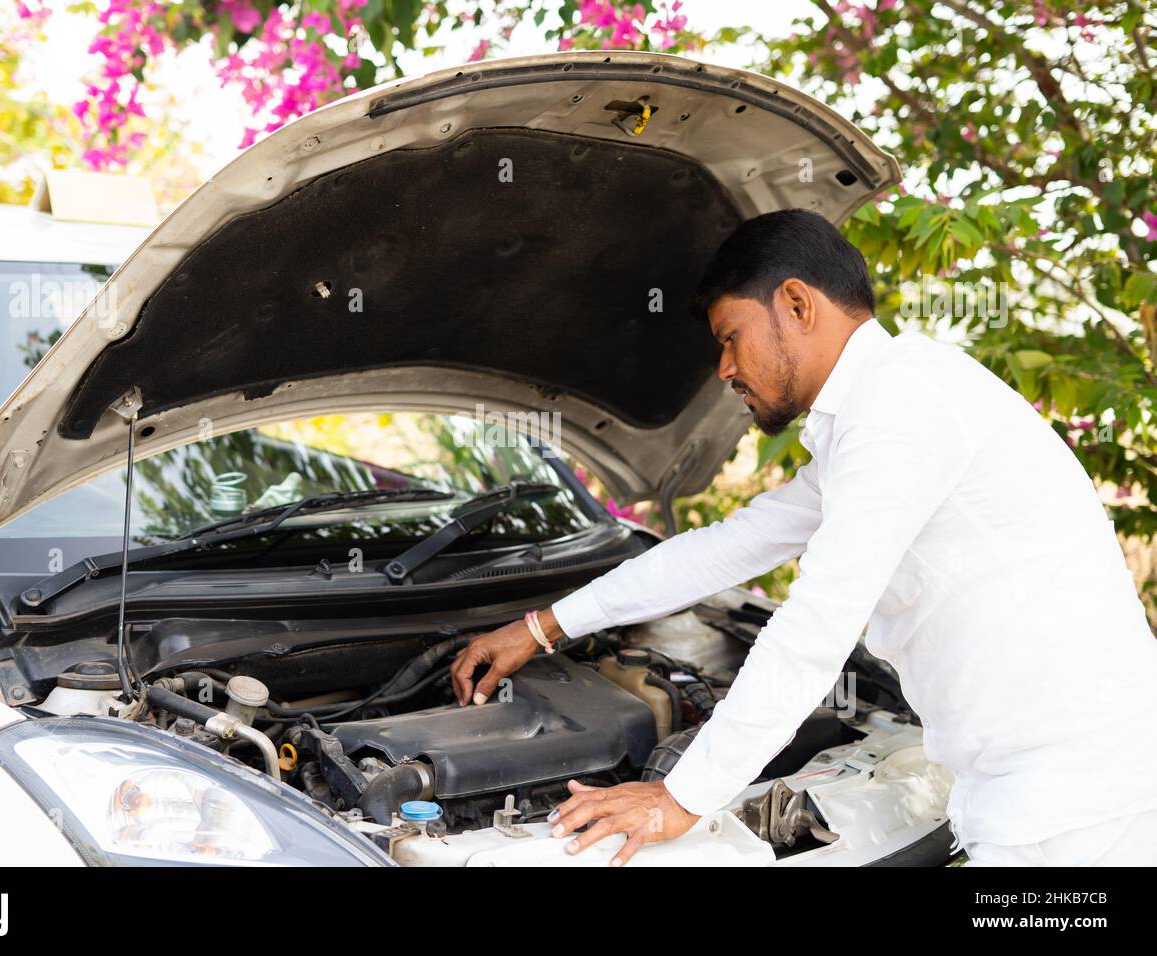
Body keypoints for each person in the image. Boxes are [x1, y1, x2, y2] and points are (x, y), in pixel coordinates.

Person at [449, 209, 1157, 867]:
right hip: (1039, 790)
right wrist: (541, 626)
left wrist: (683, 797)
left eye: (731, 337)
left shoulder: (902, 408)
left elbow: (817, 625)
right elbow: (726, 548)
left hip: (1073, 811)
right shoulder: (879, 415)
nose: (725, 368)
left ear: (796, 304)